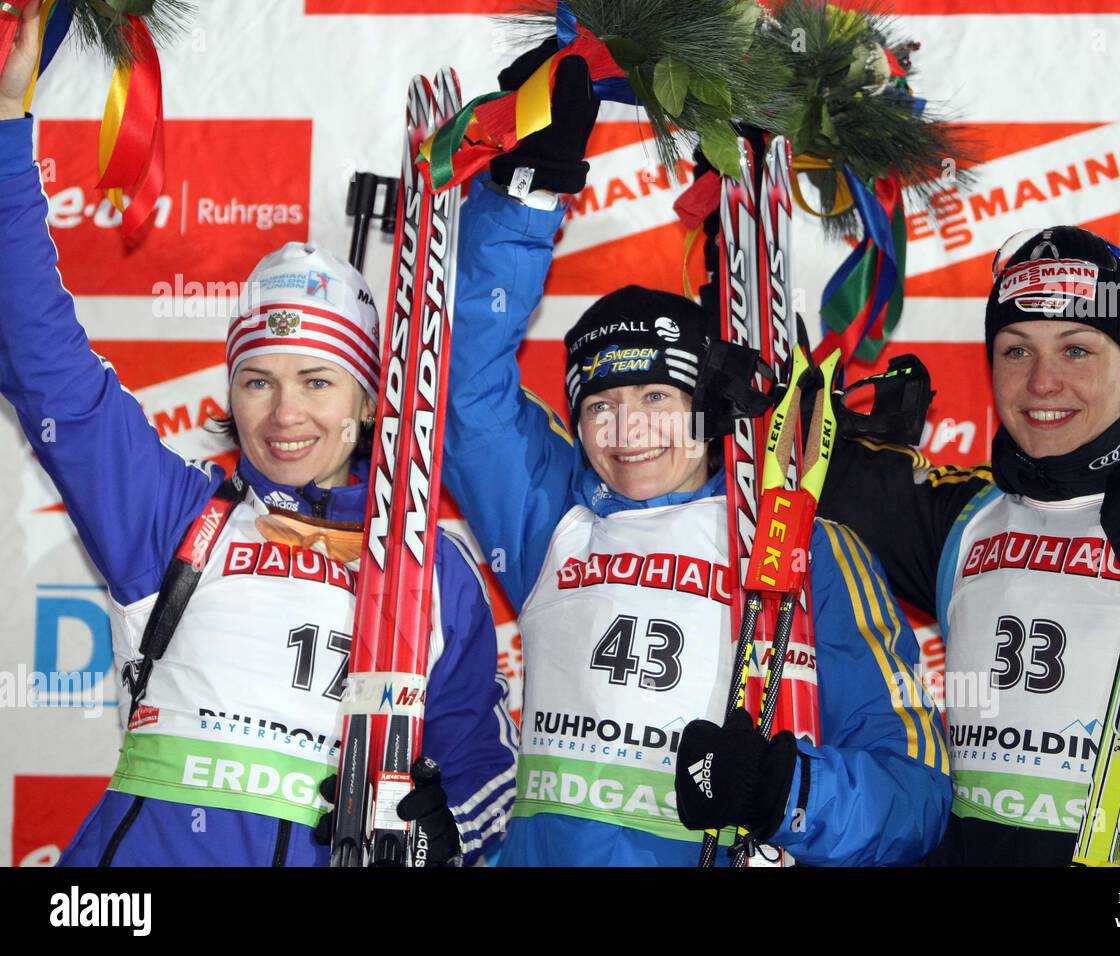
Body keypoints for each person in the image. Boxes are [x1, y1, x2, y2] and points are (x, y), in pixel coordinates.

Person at [0, 6, 514, 866]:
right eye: (257, 381)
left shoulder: (434, 575)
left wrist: (446, 830)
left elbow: (485, 782)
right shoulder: (176, 516)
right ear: (230, 394)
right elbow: (37, 354)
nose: (284, 414)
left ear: (363, 401)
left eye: (317, 383)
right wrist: (8, 122)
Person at [441, 51, 950, 866]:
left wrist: (787, 795)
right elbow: (461, 388)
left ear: (708, 412)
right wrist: (524, 195)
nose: (625, 429)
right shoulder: (552, 516)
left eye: (656, 400)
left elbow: (915, 796)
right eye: (600, 405)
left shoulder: (800, 545)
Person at [820, 224, 1120, 865]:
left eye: (1076, 350)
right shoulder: (962, 515)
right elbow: (762, 467)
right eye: (1016, 351)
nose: (1043, 383)